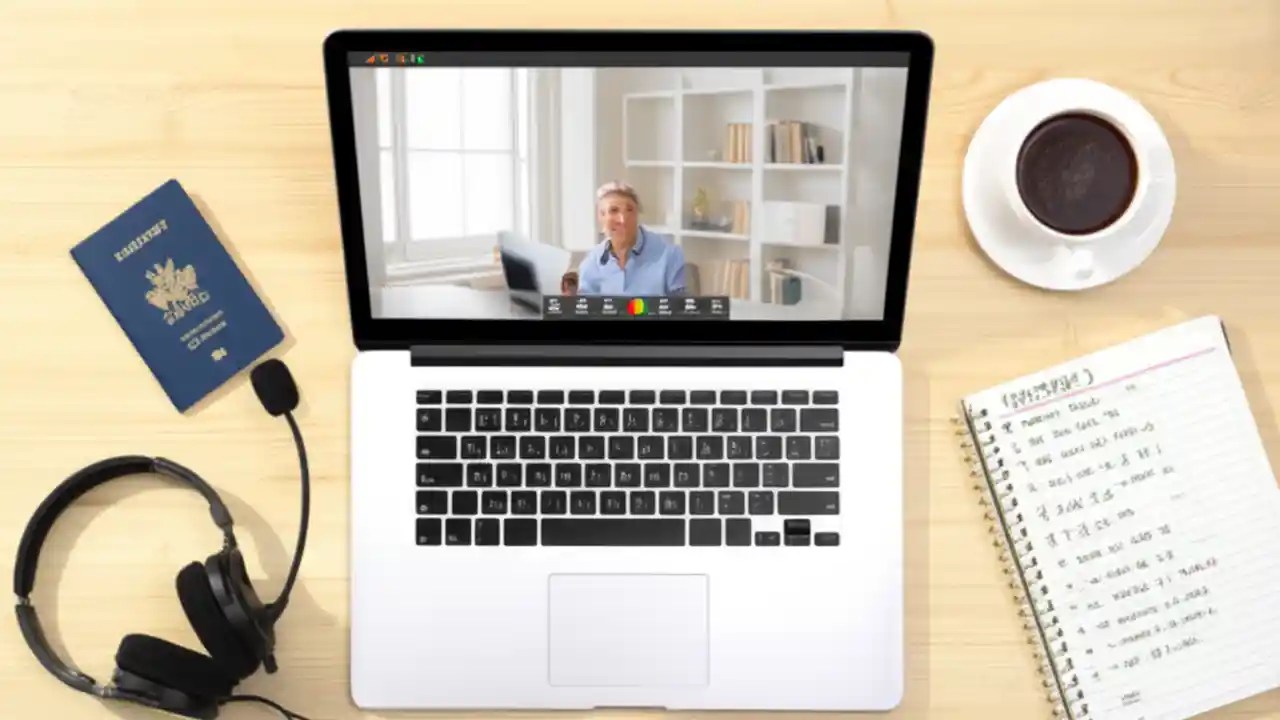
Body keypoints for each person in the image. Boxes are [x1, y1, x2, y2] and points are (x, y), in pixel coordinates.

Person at [576, 180, 686, 296]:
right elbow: (586, 310)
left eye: (629, 210)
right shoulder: (591, 262)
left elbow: (681, 309)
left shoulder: (670, 255)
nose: (622, 220)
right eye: (614, 210)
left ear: (637, 213)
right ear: (601, 216)